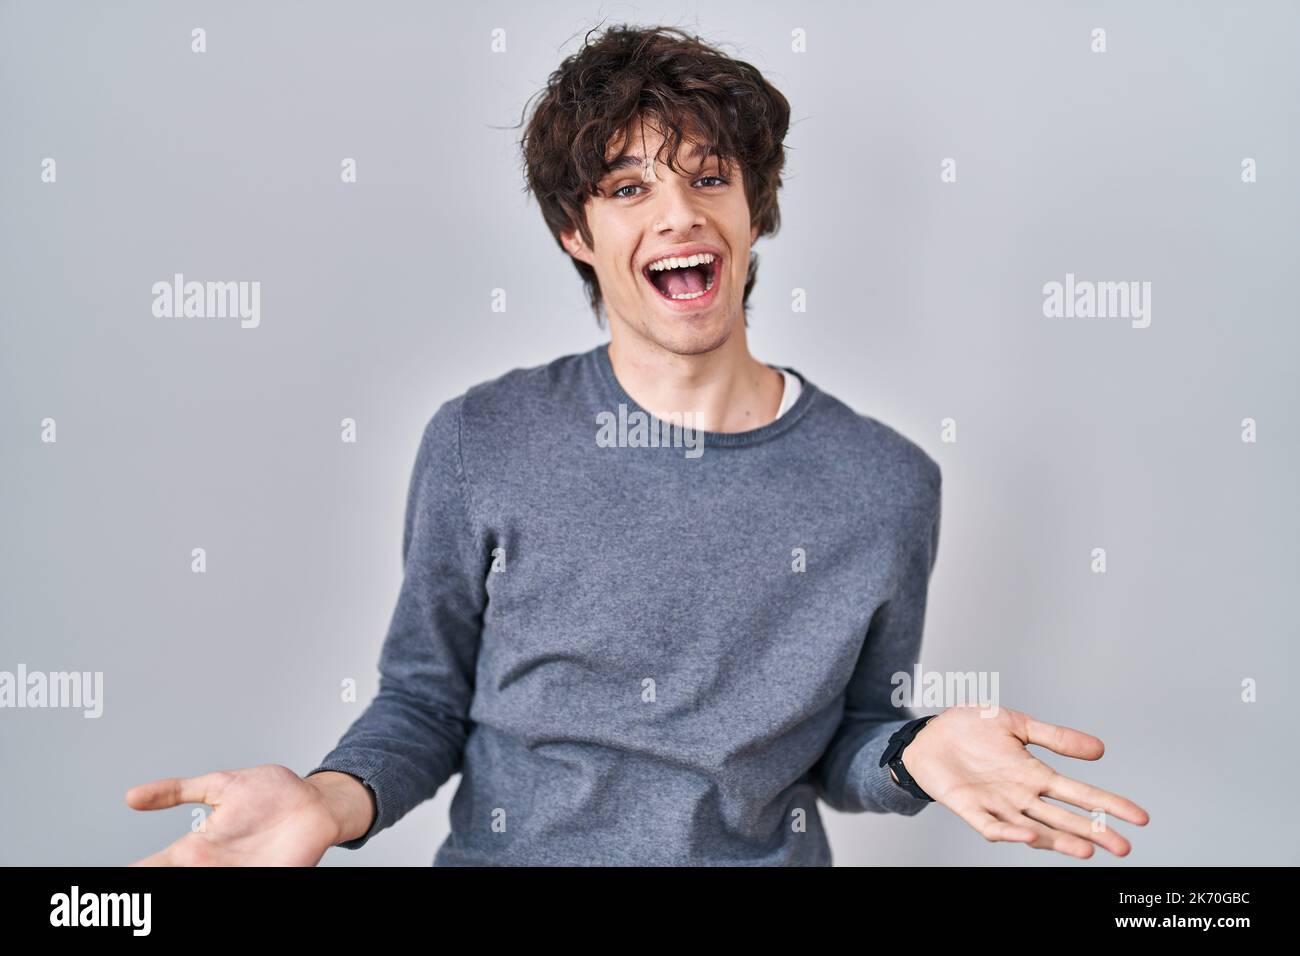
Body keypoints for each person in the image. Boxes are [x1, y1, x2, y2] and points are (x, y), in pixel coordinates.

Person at [126, 24, 1148, 866]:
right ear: (575, 232)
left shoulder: (885, 481)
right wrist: (326, 799)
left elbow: (844, 740)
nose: (677, 214)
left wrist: (916, 748)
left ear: (753, 210)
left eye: (709, 178)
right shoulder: (484, 439)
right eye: (626, 190)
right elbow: (425, 701)